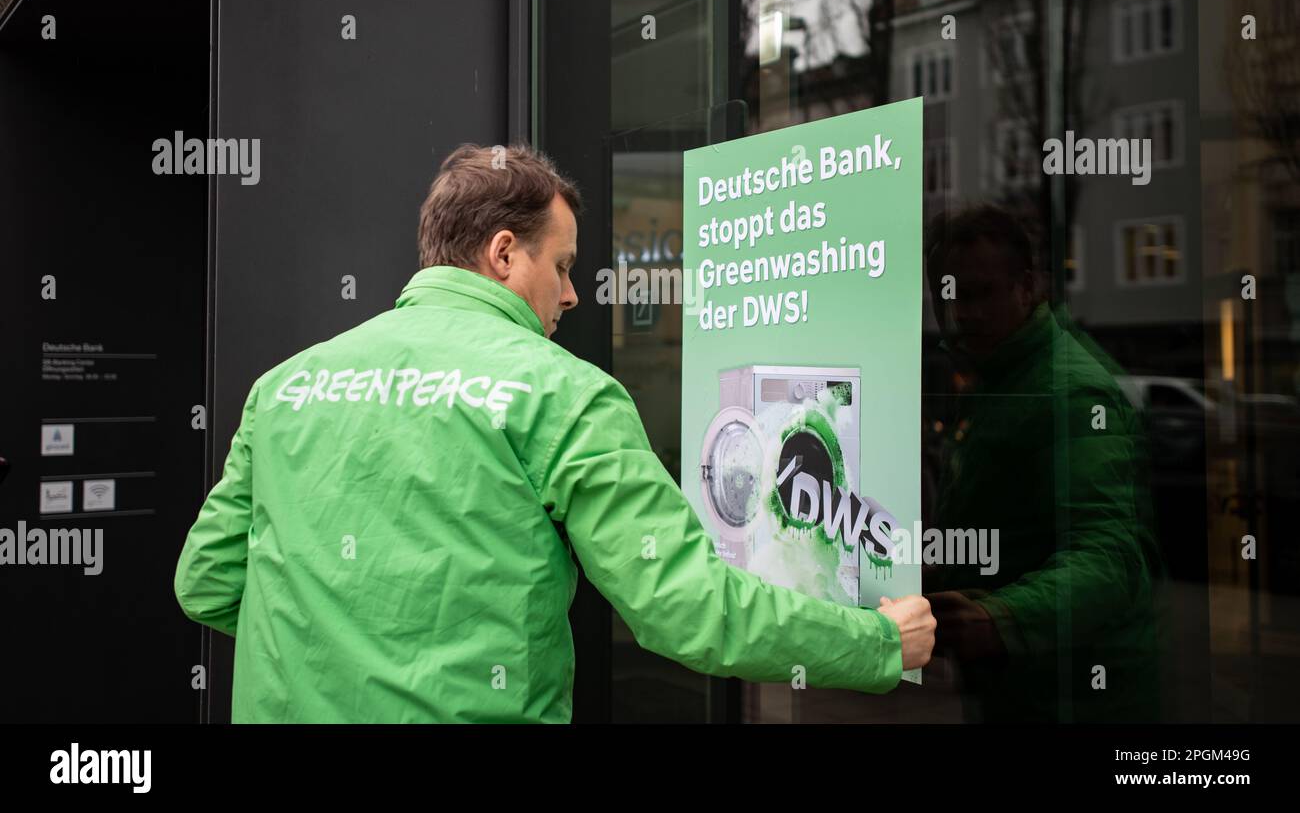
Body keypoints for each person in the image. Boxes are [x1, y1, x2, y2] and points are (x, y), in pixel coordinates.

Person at [174, 142, 934, 722]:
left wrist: (336, 653)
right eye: (563, 265)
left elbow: (204, 582)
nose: (572, 293)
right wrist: (873, 644)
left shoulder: (286, 387)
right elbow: (687, 608)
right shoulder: (563, 392)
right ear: (505, 253)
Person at [922, 203, 1163, 722]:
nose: (963, 312)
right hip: (1029, 691)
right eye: (949, 295)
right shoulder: (1001, 375)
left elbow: (1110, 557)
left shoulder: (1069, 393)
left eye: (981, 292)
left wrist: (1001, 619)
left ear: (1027, 288)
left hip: (1082, 701)